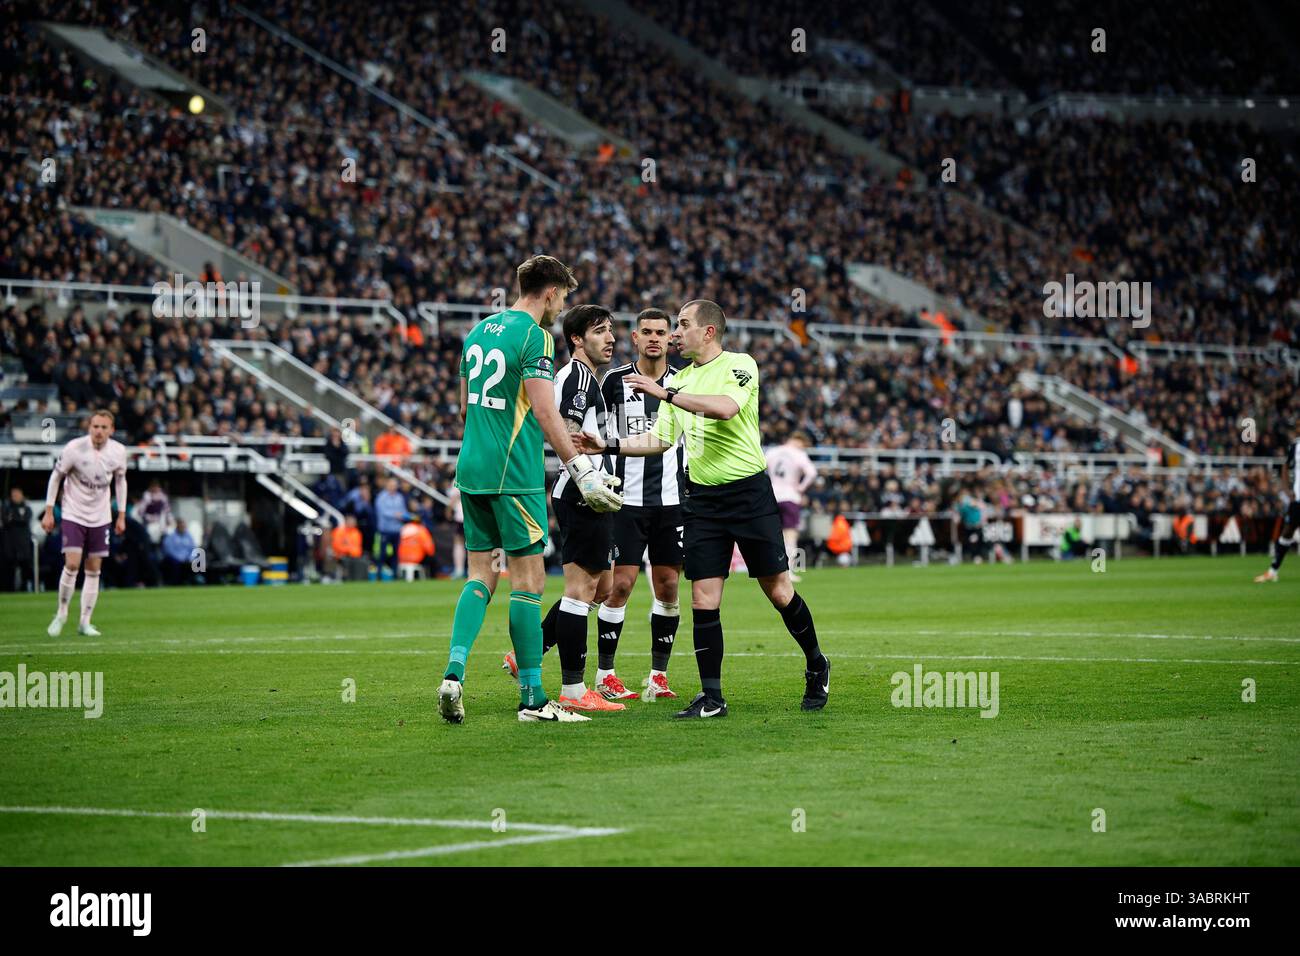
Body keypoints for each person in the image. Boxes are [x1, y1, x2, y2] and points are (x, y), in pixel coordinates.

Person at [578, 300, 829, 718]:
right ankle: (713, 698)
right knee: (702, 597)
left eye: (682, 325)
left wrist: (668, 393)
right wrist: (610, 445)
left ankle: (817, 664)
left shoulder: (739, 365)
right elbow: (660, 440)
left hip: (749, 495)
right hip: (703, 501)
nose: (675, 334)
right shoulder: (685, 380)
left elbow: (725, 409)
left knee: (778, 591)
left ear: (708, 332)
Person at [437, 255, 622, 725]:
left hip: (471, 471)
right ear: (550, 292)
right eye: (563, 296)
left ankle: (453, 676)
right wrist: (581, 469)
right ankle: (534, 699)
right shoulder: (535, 335)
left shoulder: (478, 331)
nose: (561, 307)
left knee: (481, 575)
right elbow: (545, 411)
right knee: (530, 582)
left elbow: (463, 409)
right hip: (512, 476)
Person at [518, 304, 626, 713]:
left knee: (601, 587)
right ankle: (575, 690)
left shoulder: (581, 376)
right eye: (600, 331)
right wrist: (587, 476)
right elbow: (567, 426)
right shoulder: (579, 377)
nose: (610, 338)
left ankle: (531, 650)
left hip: (589, 490)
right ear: (578, 339)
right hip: (584, 492)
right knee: (581, 592)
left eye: (612, 330)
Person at [596, 308, 686, 701]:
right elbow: (597, 432)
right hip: (626, 501)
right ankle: (605, 674)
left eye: (661, 332)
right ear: (635, 337)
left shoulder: (684, 384)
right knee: (620, 585)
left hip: (672, 502)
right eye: (647, 331)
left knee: (668, 586)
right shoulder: (614, 381)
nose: (654, 338)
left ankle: (657, 677)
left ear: (670, 339)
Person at [41, 409, 128, 636]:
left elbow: (120, 481)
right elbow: (56, 476)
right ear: (89, 427)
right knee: (72, 564)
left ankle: (84, 622)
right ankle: (61, 613)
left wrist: (121, 515)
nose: (98, 431)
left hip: (100, 516)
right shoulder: (74, 448)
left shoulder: (119, 452)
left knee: (94, 570)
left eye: (103, 427)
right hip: (73, 512)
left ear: (112, 430)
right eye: (95, 426)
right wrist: (49, 511)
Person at [765, 431, 818, 582]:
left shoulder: (773, 451)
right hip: (790, 496)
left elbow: (759, 467)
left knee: (774, 535)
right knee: (790, 536)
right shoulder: (798, 454)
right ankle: (789, 571)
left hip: (772, 496)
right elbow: (812, 473)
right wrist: (800, 488)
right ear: (800, 441)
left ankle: (772, 569)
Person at [1255, 432, 1298, 582]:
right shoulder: (1295, 446)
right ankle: (1273, 571)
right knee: (1287, 531)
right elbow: (1285, 466)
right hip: (1297, 499)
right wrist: (1287, 489)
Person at [2, 487, 35, 592]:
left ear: (22, 495)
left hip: (24, 544)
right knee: (9, 569)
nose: (15, 496)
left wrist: (13, 519)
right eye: (13, 494)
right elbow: (6, 520)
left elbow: (25, 520)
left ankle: (26, 588)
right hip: (10, 544)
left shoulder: (27, 508)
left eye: (17, 494)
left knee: (26, 567)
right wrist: (17, 519)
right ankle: (9, 590)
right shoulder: (6, 507)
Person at [374, 477, 407, 577]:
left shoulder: (399, 497)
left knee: (395, 554)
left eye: (395, 485)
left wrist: (405, 516)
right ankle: (379, 574)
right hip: (385, 530)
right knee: (382, 554)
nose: (393, 487)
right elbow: (383, 512)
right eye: (391, 485)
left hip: (396, 530)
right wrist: (395, 515)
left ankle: (395, 575)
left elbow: (403, 511)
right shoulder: (381, 497)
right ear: (387, 485)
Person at [161, 519, 197, 585]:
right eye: (181, 526)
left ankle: (192, 582)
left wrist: (190, 558)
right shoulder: (171, 537)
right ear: (177, 526)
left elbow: (193, 549)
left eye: (184, 526)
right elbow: (169, 550)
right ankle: (175, 583)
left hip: (187, 559)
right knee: (175, 564)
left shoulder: (189, 536)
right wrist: (180, 559)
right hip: (175, 559)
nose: (183, 528)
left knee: (196, 563)